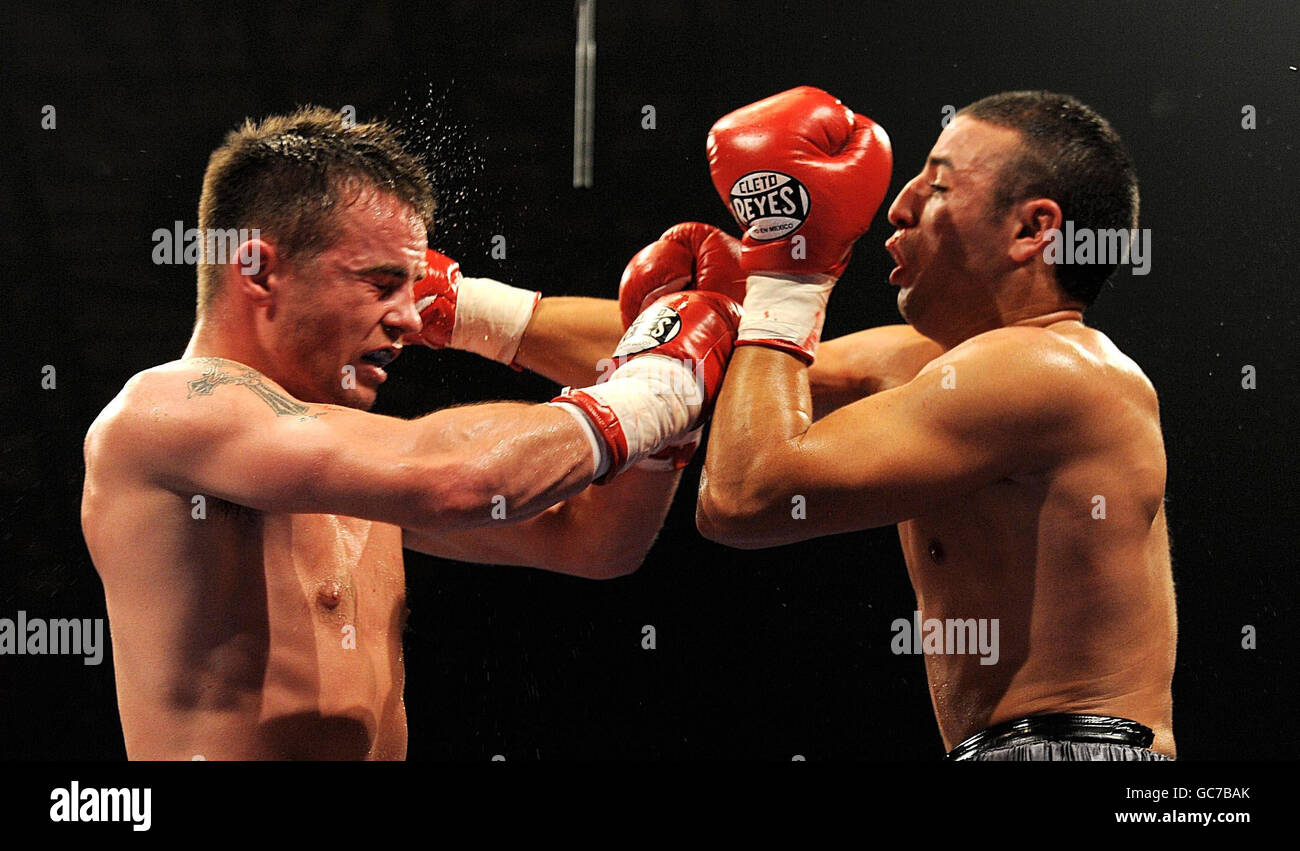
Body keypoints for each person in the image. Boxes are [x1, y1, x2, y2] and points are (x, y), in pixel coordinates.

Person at [80, 106, 740, 760]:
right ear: (257, 271)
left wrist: (673, 398)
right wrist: (662, 384)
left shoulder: (344, 467)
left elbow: (598, 542)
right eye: (381, 283)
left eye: (416, 285)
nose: (408, 319)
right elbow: (462, 477)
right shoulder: (167, 410)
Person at [696, 87, 1175, 760]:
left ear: (1032, 230)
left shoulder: (1051, 368)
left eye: (939, 184)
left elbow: (745, 494)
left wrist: (787, 278)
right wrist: (500, 317)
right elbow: (713, 368)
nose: (897, 205)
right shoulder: (941, 369)